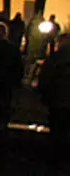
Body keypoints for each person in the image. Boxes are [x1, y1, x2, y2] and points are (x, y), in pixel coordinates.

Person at [37, 33, 70, 163]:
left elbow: (45, 77)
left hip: (57, 98)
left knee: (57, 127)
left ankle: (57, 154)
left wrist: (43, 93)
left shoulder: (54, 58)